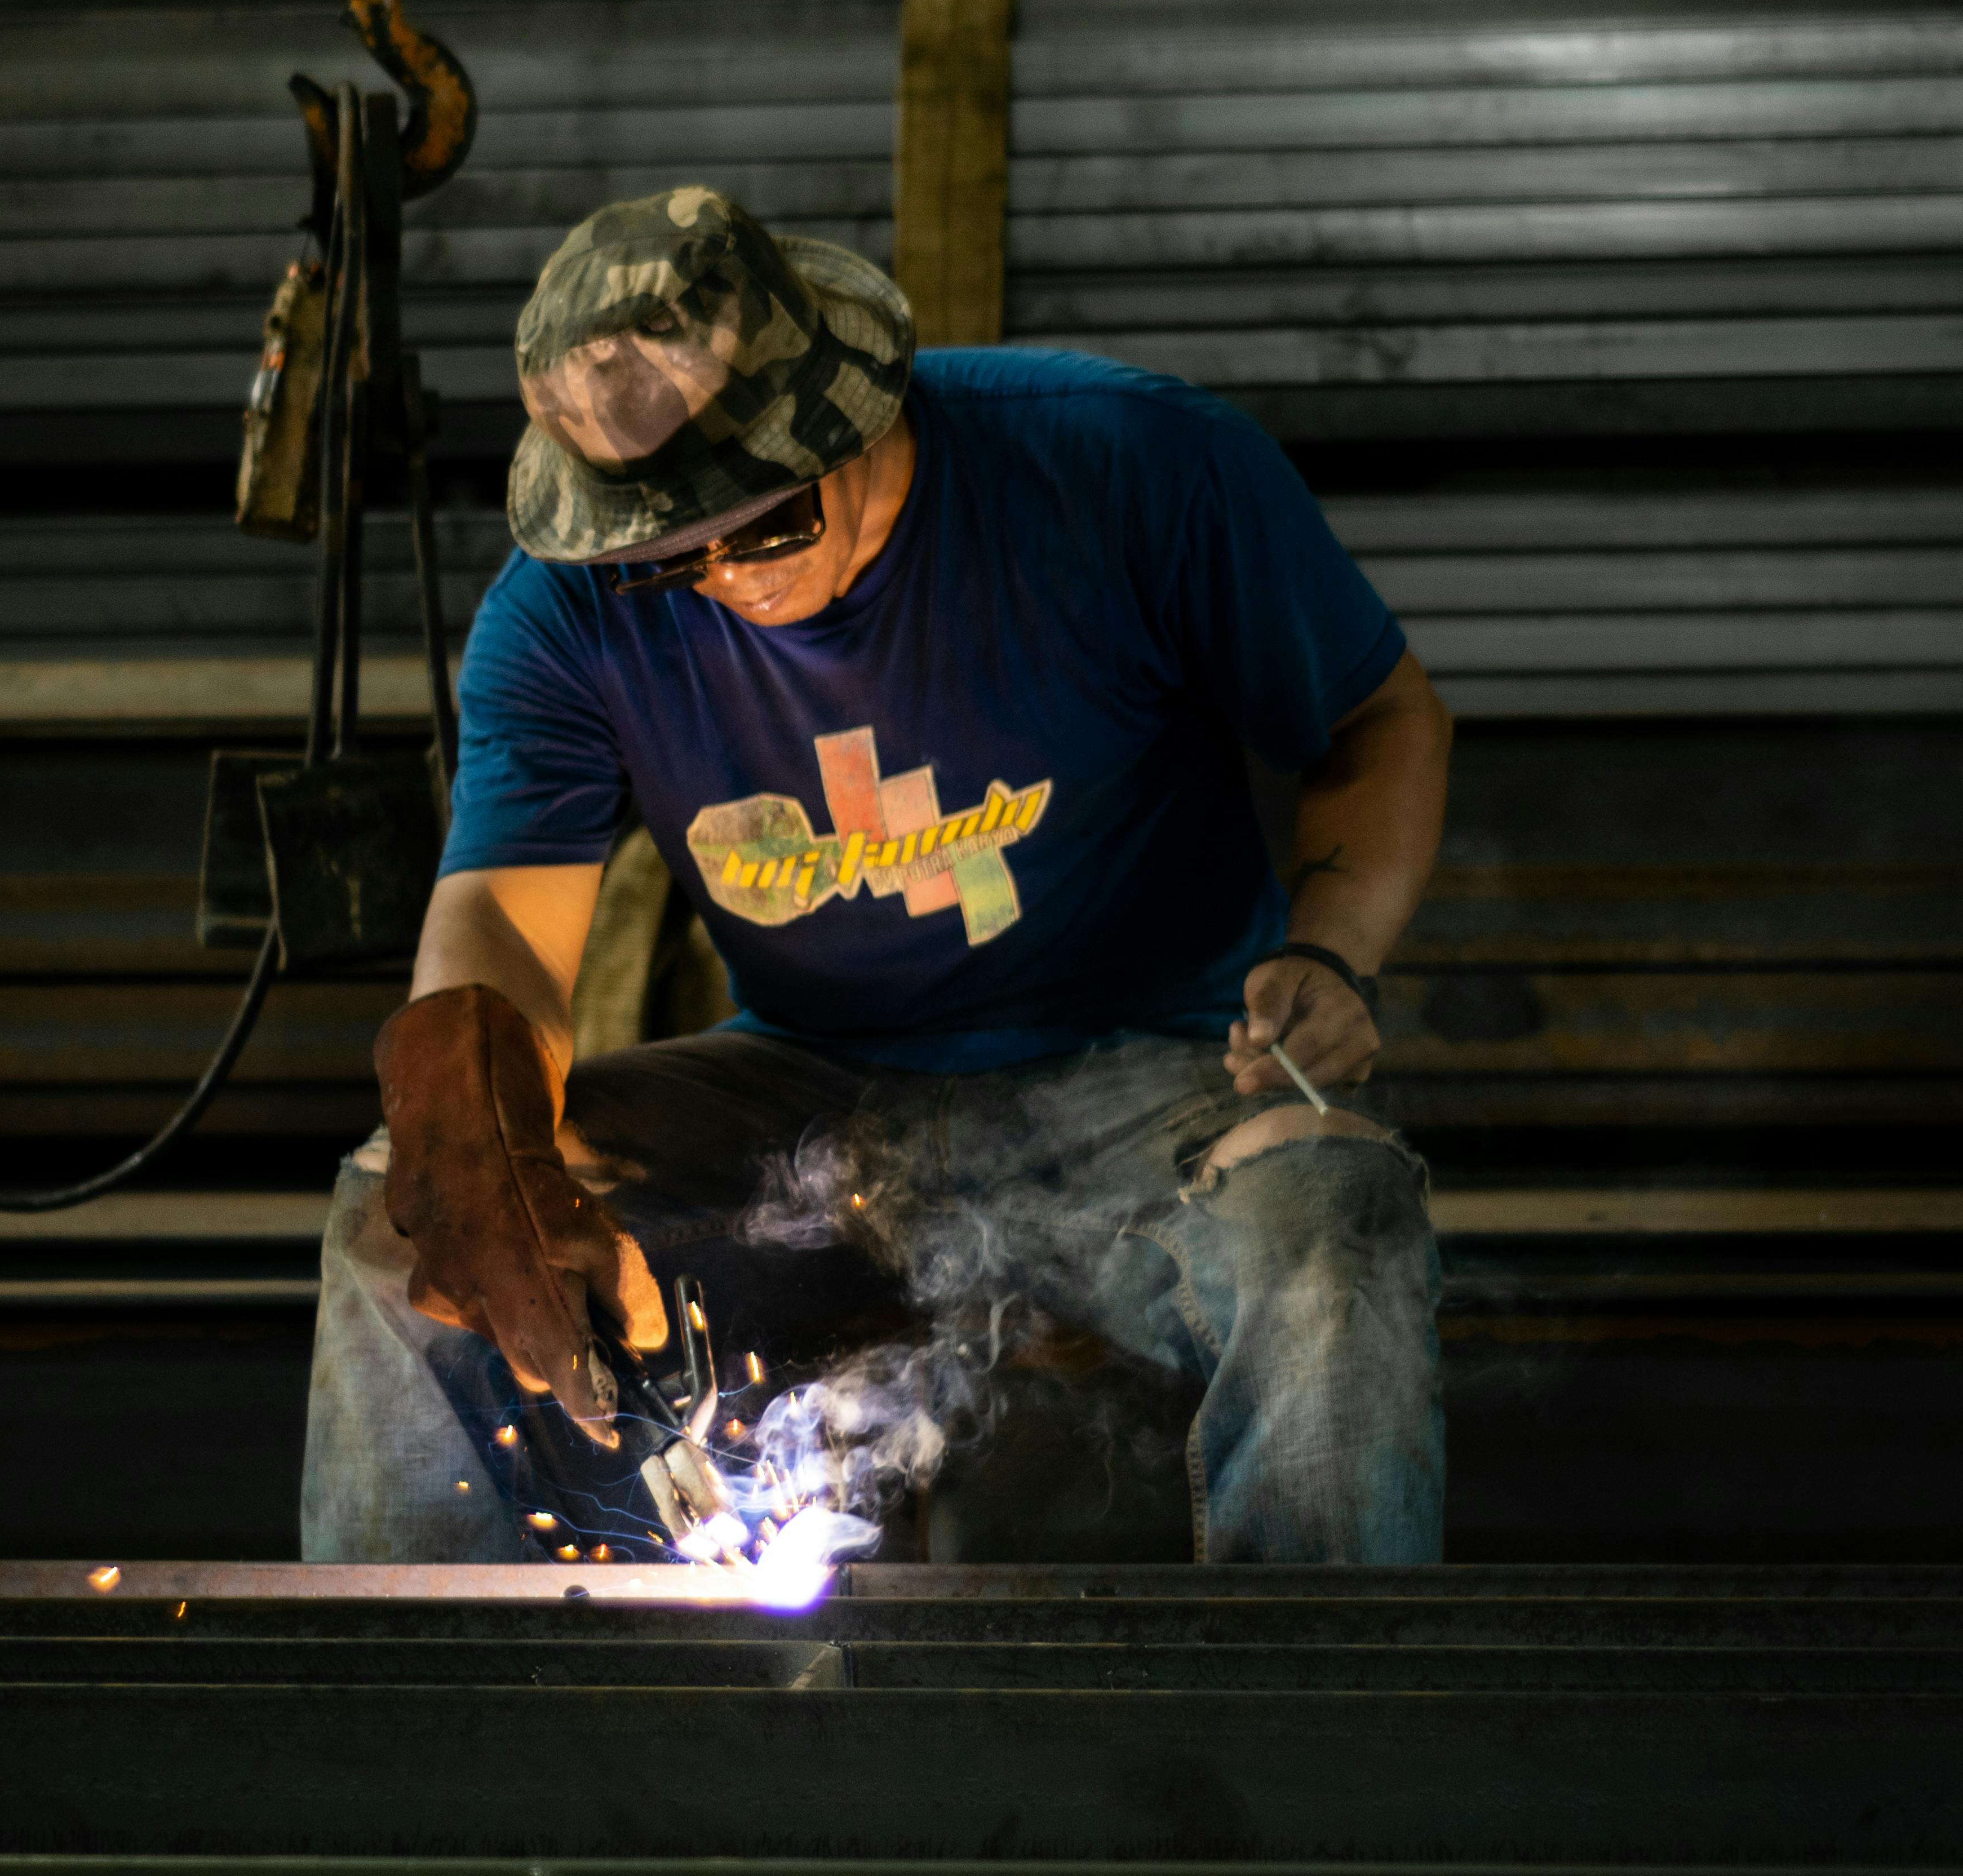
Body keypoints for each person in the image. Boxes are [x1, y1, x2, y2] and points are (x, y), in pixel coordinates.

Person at [301, 187, 1452, 1567]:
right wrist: (472, 1127)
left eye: (764, 531)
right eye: (676, 563)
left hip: (1155, 1078)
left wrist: (1331, 949)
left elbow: (1380, 720)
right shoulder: (565, 614)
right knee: (397, 1212)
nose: (730, 583)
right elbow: (501, 921)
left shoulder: (1129, 467)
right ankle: (406, 1718)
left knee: (1330, 1220)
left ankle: (1322, 1740)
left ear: (849, 410)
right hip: (804, 1096)